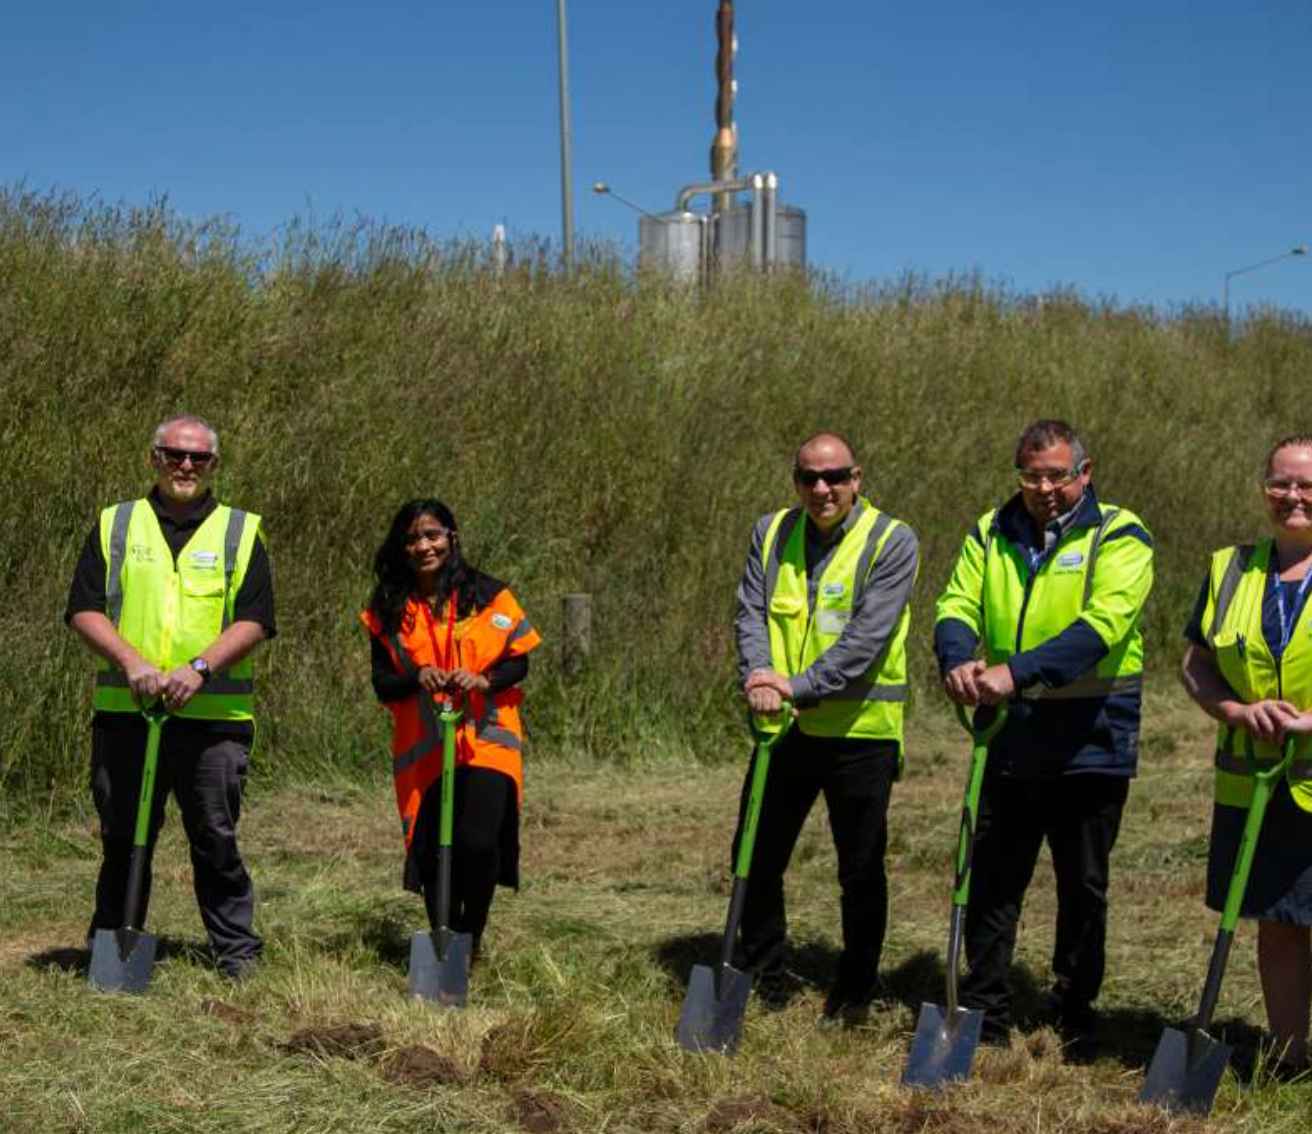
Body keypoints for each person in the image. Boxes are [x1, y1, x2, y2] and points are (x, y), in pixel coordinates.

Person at [934, 419, 1153, 1049]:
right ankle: (984, 1012)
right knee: (995, 876)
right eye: (1032, 475)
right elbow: (955, 603)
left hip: (1093, 734)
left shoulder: (1121, 532)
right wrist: (957, 659)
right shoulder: (989, 529)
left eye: (1058, 474)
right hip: (1011, 732)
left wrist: (1016, 671)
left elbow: (1102, 624)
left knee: (1081, 881)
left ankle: (1074, 1004)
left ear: (1085, 473)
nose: (1044, 488)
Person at [66, 414, 275, 978]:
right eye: (175, 455)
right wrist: (131, 662)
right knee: (124, 836)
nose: (186, 466)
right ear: (154, 457)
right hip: (127, 716)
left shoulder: (240, 531)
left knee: (215, 837)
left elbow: (256, 619)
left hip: (213, 722)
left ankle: (236, 952)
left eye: (198, 458)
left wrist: (199, 668)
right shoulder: (116, 525)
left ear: (214, 466)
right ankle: (113, 944)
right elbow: (84, 608)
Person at [732, 431, 919, 1024]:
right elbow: (751, 611)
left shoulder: (892, 540)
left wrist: (799, 685)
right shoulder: (772, 532)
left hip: (861, 733)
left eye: (834, 476)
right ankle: (760, 974)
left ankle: (855, 989)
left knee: (859, 868)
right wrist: (760, 671)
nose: (821, 489)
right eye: (808, 477)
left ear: (857, 478)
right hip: (782, 729)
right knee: (755, 855)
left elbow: (868, 637)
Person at [1181, 434, 1312, 1072]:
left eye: (1307, 485)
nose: (1294, 496)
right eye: (1281, 483)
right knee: (1280, 920)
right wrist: (1235, 710)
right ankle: (1290, 1056)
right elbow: (1196, 664)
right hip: (1255, 784)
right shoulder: (1229, 568)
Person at [361, 499, 540, 959]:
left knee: (478, 843)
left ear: (452, 537)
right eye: (413, 538)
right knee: (433, 849)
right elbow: (383, 683)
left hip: (487, 739)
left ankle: (468, 939)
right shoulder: (387, 609)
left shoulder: (490, 595)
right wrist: (416, 677)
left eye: (433, 535)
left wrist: (484, 679)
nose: (424, 546)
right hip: (424, 747)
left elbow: (518, 661)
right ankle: (442, 945)